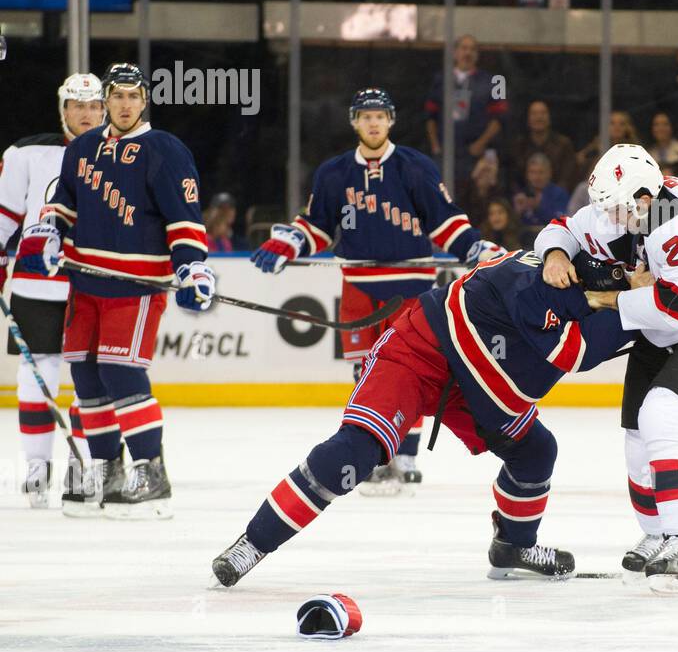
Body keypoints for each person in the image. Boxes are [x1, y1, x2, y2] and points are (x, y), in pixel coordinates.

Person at [212, 249, 638, 586]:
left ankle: (514, 547)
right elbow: (577, 352)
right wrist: (646, 309)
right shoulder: (536, 287)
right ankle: (253, 543)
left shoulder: (559, 273)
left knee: (535, 450)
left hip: (478, 379)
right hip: (421, 351)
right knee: (354, 452)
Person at [249, 89, 502, 493]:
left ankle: (407, 454)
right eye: (365, 116)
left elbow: (444, 221)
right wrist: (290, 243)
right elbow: (317, 225)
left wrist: (474, 247)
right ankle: (377, 455)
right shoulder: (333, 173)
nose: (372, 123)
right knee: (366, 375)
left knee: (414, 373)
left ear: (391, 121)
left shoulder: (415, 167)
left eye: (379, 116)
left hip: (409, 290)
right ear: (354, 122)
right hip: (358, 289)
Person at [537, 144, 678, 591]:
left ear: (644, 198)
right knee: (637, 433)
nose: (610, 218)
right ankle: (658, 532)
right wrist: (555, 255)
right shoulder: (625, 205)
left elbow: (671, 311)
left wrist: (606, 298)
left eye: (617, 209)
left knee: (662, 413)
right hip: (661, 323)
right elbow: (561, 228)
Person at [15, 64, 215, 519]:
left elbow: (184, 220)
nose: (125, 104)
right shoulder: (83, 148)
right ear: (105, 99)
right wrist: (48, 237)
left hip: (135, 286)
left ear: (144, 100)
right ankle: (106, 469)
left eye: (133, 96)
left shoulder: (165, 149)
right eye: (117, 96)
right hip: (84, 283)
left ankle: (152, 472)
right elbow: (62, 205)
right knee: (86, 378)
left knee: (121, 373)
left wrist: (192, 269)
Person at [0, 74, 104, 509]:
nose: (85, 113)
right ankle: (36, 465)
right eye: (76, 106)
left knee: (89, 377)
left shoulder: (125, 154)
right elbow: (6, 213)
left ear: (103, 109)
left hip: (96, 282)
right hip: (35, 281)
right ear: (62, 110)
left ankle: (82, 466)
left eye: (93, 105)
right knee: (36, 369)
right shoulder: (26, 152)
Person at [424, 34, 509, 192]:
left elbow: (500, 119)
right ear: (455, 52)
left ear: (478, 55)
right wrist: (436, 146)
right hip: (446, 153)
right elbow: (430, 116)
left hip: (475, 154)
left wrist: (481, 143)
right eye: (463, 48)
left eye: (472, 49)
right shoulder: (440, 79)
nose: (467, 53)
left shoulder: (494, 81)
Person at [508, 100, 578, 192]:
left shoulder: (563, 144)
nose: (539, 117)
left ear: (549, 118)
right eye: (534, 114)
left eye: (543, 113)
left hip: (557, 199)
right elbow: (513, 178)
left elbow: (568, 178)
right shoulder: (519, 145)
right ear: (528, 119)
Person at [513, 153, 571, 236]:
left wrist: (538, 207)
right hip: (524, 237)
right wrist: (516, 212)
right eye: (532, 172)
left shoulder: (559, 193)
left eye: (540, 172)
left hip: (551, 236)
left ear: (549, 173)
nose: (536, 177)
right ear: (527, 175)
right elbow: (512, 225)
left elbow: (562, 222)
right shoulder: (521, 195)